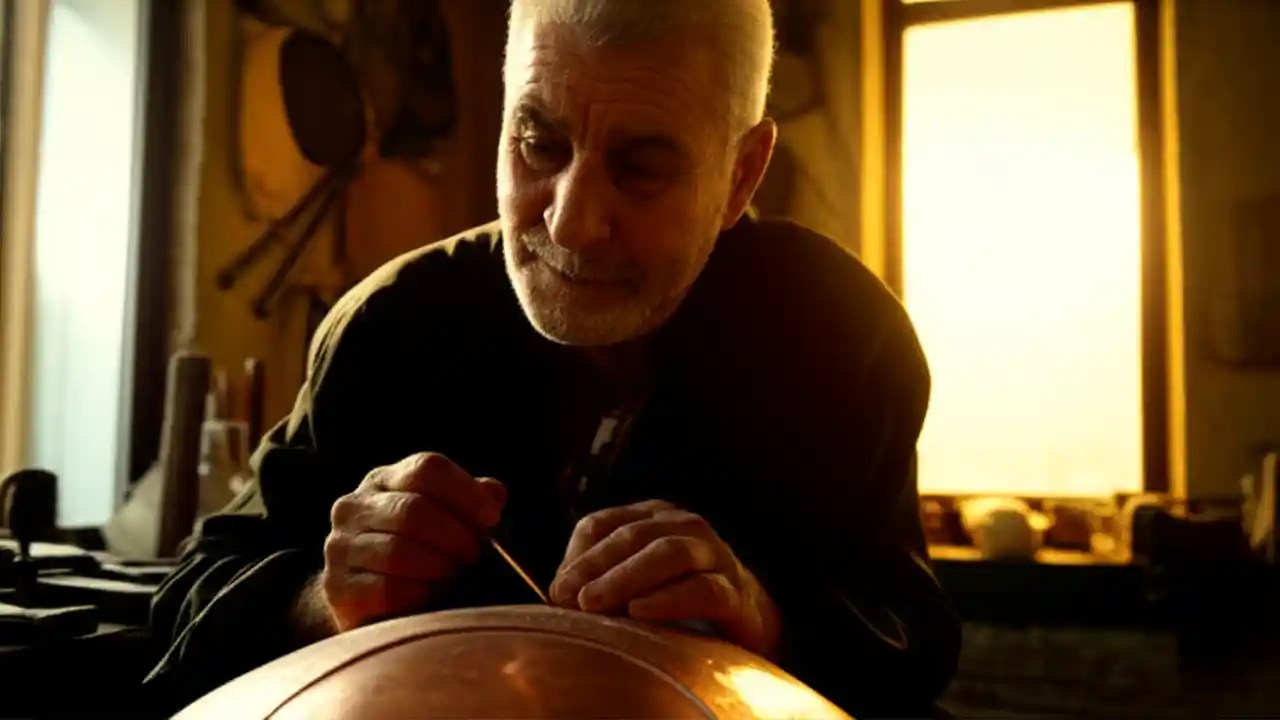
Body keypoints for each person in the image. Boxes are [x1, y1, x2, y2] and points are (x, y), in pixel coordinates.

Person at [144, 0, 961, 716]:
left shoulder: (839, 333)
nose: (571, 223)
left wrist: (765, 617)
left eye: (642, 168)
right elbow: (186, 598)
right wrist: (322, 601)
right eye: (538, 143)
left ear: (742, 174)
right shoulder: (390, 325)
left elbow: (914, 644)